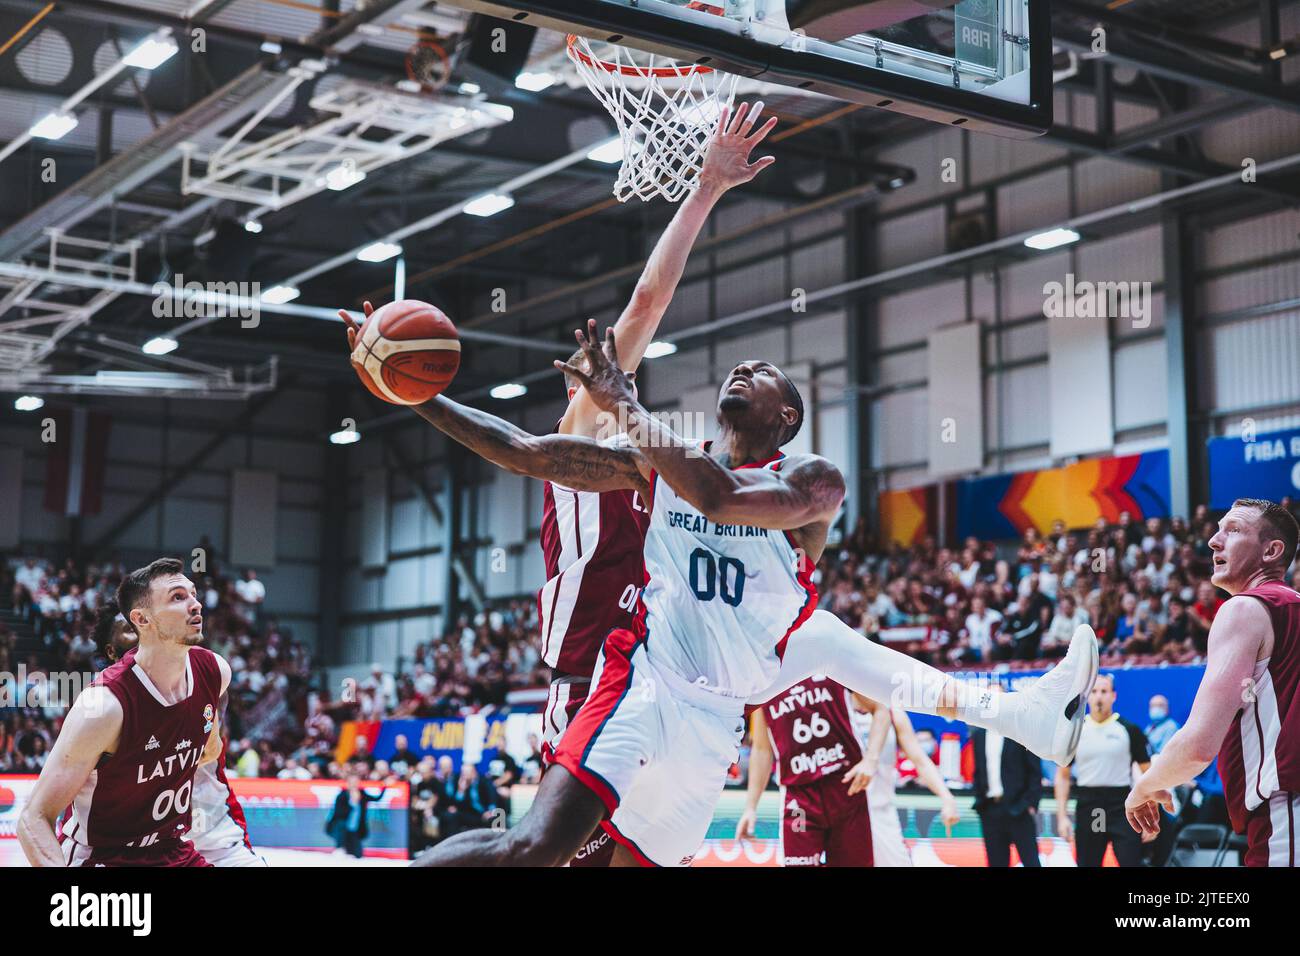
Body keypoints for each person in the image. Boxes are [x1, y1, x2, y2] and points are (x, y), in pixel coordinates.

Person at [379, 307, 1096, 867]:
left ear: (786, 415)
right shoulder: (653, 465)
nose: (746, 367)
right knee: (536, 849)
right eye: (743, 364)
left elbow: (720, 497)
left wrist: (626, 403)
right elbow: (522, 451)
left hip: (725, 707)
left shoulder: (813, 480)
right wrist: (410, 393)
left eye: (766, 371)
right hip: (650, 681)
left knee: (826, 638)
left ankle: (1026, 715)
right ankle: (1022, 715)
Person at [351, 102, 780, 866]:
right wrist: (708, 187)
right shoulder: (591, 440)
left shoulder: (703, 479)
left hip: (667, 694)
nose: (616, 375)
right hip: (594, 674)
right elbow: (643, 308)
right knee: (537, 852)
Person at [17, 558, 231, 867]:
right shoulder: (103, 707)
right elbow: (33, 818)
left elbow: (208, 752)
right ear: (142, 620)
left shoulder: (215, 671)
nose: (195, 605)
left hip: (171, 849)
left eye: (194, 594)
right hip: (104, 856)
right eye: (177, 597)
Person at [1126, 498, 1300, 867]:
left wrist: (1144, 785)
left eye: (1234, 530)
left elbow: (1199, 745)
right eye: (1218, 529)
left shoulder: (1245, 608)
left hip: (1288, 814)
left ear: (1271, 551)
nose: (1214, 541)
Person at [91, 601, 264, 866]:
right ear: (112, 652)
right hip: (137, 844)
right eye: (129, 628)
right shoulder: (103, 705)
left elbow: (209, 751)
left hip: (211, 831)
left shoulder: (204, 674)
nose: (140, 632)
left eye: (145, 623)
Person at [736, 677, 886, 866]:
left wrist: (871, 760)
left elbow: (880, 708)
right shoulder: (766, 680)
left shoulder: (830, 661)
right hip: (799, 798)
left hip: (846, 786)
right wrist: (750, 807)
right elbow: (761, 749)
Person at [849, 696, 960, 866]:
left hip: (881, 813)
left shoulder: (894, 713)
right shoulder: (836, 706)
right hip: (844, 815)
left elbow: (920, 760)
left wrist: (947, 798)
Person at [1055, 674, 1151, 866]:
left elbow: (1148, 774)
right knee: (1089, 862)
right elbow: (1063, 776)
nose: (1099, 696)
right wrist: (1062, 816)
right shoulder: (1076, 731)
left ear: (1113, 696)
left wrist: (1149, 814)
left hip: (1122, 805)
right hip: (1092, 806)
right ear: (1088, 696)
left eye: (1104, 691)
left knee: (1131, 861)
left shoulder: (1129, 730)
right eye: (1095, 691)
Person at [972, 685, 1044, 867]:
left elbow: (1035, 772)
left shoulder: (1021, 732)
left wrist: (1031, 805)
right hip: (990, 810)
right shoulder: (979, 735)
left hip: (1019, 809)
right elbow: (979, 772)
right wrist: (981, 801)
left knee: (1031, 862)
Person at [327, 773, 385, 858]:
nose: (354, 784)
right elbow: (338, 814)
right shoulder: (342, 796)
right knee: (341, 850)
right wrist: (352, 804)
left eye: (356, 782)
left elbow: (377, 798)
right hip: (343, 831)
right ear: (348, 783)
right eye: (352, 782)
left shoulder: (362, 794)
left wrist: (384, 786)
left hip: (355, 831)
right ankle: (340, 847)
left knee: (358, 855)